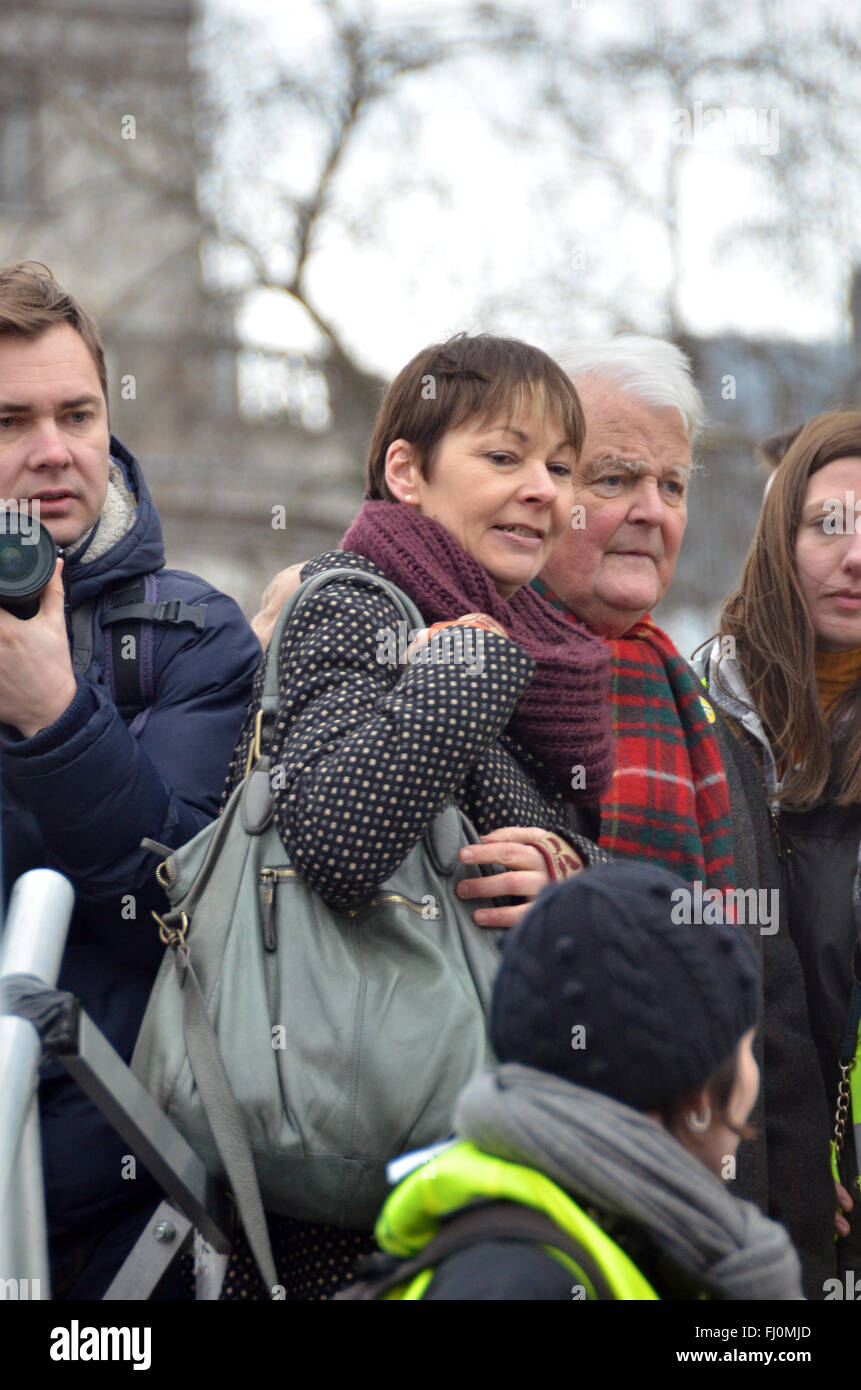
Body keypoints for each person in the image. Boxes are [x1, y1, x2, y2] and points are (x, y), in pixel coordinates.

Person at [219, 331, 615, 1298]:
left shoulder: (540, 653)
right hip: (343, 1198)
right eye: (503, 456)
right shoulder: (350, 606)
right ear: (406, 469)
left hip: (478, 1161)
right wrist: (463, 670)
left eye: (561, 468)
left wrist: (566, 876)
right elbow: (333, 840)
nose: (543, 490)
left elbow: (541, 854)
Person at [528, 336, 830, 1295]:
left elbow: (768, 1015)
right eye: (615, 477)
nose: (651, 513)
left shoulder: (708, 726)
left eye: (671, 482)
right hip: (536, 1233)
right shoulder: (455, 680)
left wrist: (800, 1238)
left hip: (712, 1239)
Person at [0, 263, 260, 1297]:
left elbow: (181, 911)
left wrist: (55, 720)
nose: (53, 449)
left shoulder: (197, 633)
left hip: (123, 1210)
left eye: (77, 412)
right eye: (10, 419)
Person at [345, 863, 803, 1300]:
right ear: (696, 1096)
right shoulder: (516, 1280)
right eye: (742, 1048)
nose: (752, 1077)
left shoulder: (634, 1230)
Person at [701, 410, 861, 1297]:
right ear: (776, 539)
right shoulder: (691, 722)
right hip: (736, 1193)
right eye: (827, 527)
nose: (855, 558)